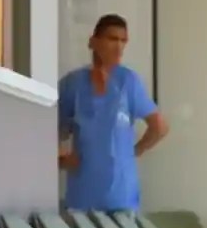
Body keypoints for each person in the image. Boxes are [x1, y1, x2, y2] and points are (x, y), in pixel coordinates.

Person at [58, 14, 169, 212]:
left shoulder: (128, 82)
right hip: (82, 197)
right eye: (112, 39)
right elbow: (52, 131)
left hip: (121, 197)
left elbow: (159, 127)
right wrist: (60, 157)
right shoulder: (72, 84)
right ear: (93, 42)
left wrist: (136, 150)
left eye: (123, 41)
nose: (119, 47)